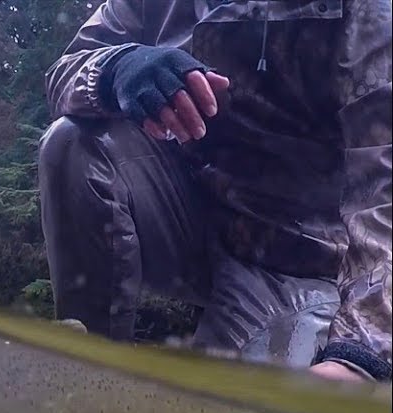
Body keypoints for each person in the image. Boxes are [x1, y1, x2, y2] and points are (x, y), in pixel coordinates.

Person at [37, 0, 391, 392]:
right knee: (73, 142)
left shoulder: (369, 13)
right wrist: (117, 68)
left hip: (297, 256)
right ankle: (86, 375)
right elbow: (65, 70)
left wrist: (360, 355)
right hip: (179, 210)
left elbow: (383, 190)